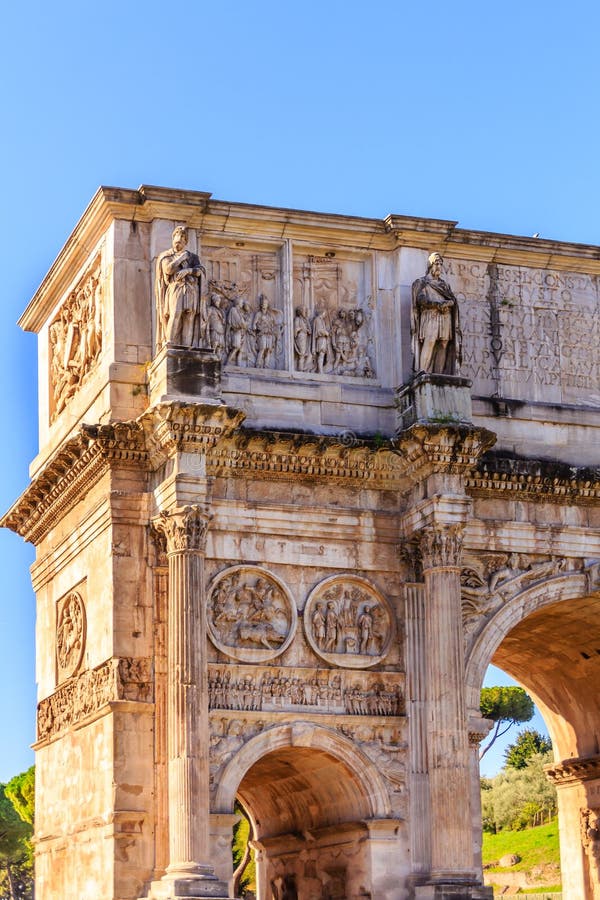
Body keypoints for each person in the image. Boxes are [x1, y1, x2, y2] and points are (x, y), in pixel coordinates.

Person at [411, 252, 462, 375]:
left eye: (440, 264)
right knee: (430, 341)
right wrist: (436, 304)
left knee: (444, 343)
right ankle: (422, 371)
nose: (439, 266)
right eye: (436, 263)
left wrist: (449, 303)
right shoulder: (422, 282)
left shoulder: (444, 285)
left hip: (445, 316)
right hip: (430, 315)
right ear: (430, 265)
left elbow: (452, 300)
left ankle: (439, 374)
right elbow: (420, 299)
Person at [155, 226, 205, 348]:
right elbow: (168, 269)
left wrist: (188, 270)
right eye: (177, 237)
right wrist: (182, 258)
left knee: (189, 316)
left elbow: (200, 271)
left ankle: (186, 346)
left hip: (190, 288)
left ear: (185, 241)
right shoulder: (166, 255)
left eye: (182, 237)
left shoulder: (193, 257)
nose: (179, 240)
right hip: (175, 288)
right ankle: (170, 343)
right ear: (173, 239)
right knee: (175, 314)